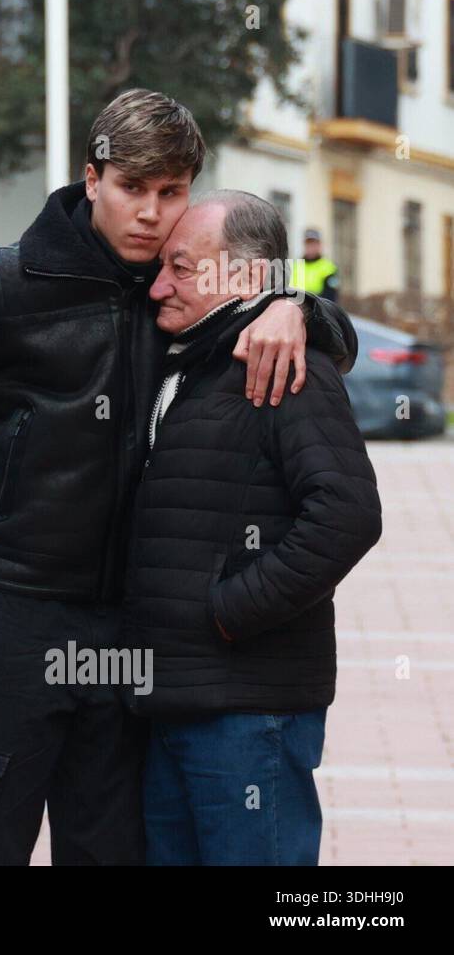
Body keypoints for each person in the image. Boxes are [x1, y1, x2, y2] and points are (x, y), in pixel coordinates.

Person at [0, 89, 358, 866]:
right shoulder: (5, 285)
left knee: (108, 852)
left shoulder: (171, 291)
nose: (152, 214)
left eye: (172, 193)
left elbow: (252, 306)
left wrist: (300, 307)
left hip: (132, 637)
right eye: (133, 188)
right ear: (92, 178)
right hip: (16, 619)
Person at [122, 191, 381, 864]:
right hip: (175, 700)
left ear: (242, 277)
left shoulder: (287, 369)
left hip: (248, 711)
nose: (159, 286)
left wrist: (230, 613)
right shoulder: (191, 360)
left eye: (181, 267)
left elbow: (347, 515)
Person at [289, 228, 341, 304]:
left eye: (313, 243)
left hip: (319, 310)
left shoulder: (329, 268)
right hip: (296, 308)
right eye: (308, 243)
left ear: (319, 244)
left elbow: (331, 297)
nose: (311, 247)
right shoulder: (295, 266)